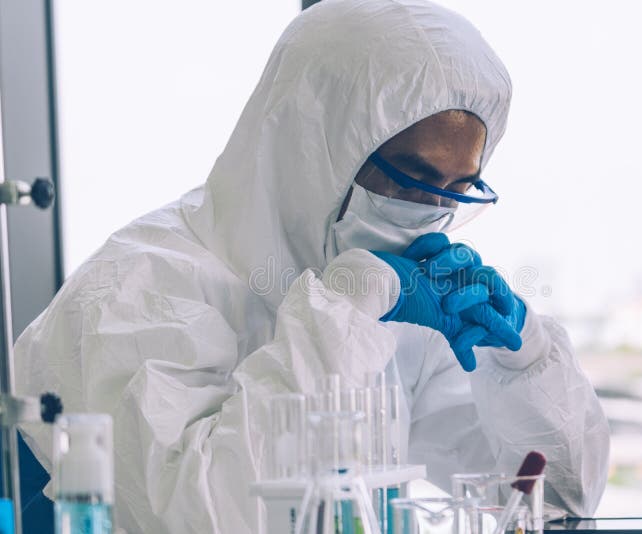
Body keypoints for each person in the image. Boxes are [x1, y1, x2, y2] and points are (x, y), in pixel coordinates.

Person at [13, 0, 610, 531]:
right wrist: (345, 309)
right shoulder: (138, 289)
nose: (433, 212)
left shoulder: (390, 299)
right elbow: (209, 519)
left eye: (460, 188)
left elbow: (549, 497)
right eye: (414, 179)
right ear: (313, 146)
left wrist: (522, 360)